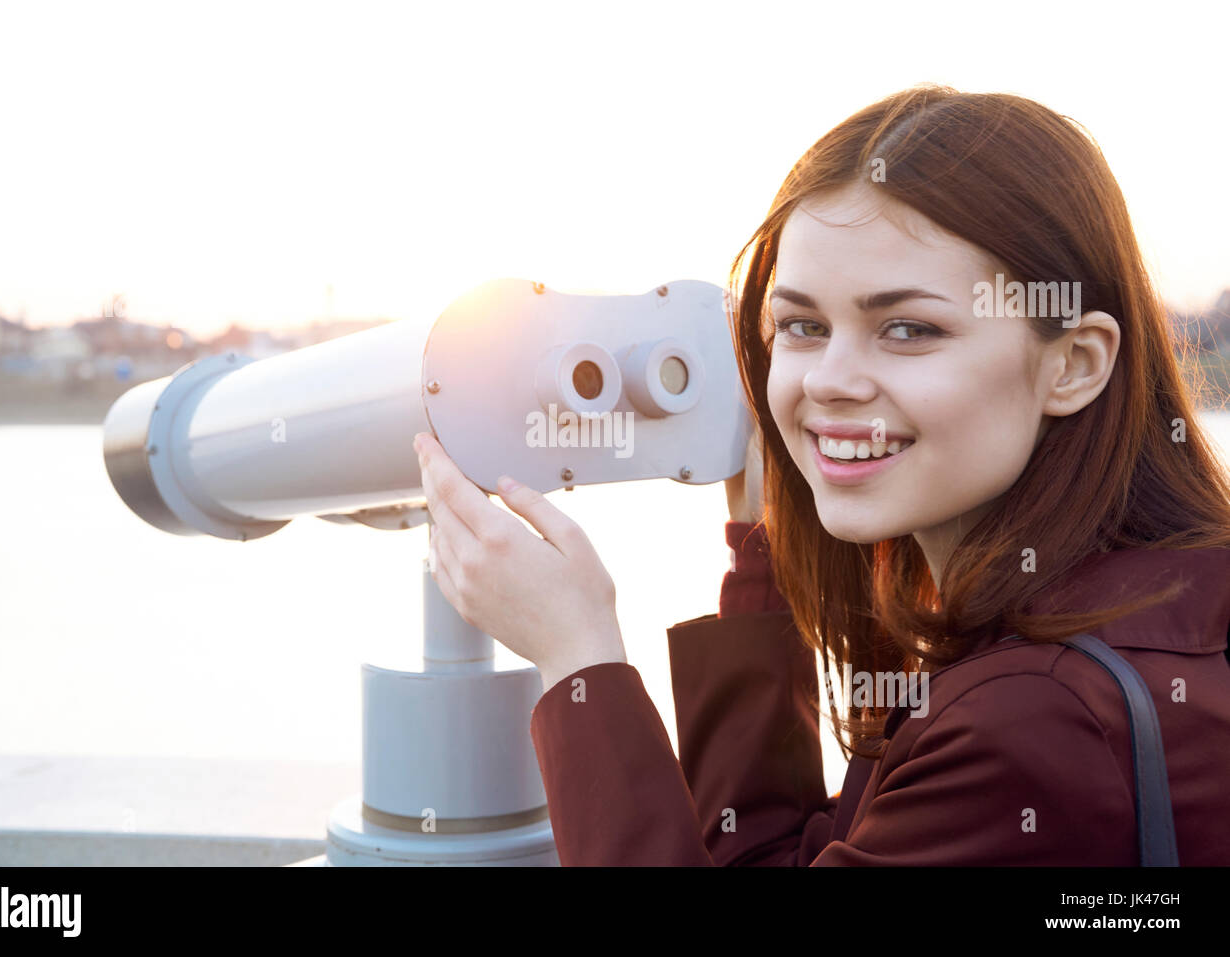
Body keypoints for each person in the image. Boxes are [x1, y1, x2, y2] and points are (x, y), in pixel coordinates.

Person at [411, 84, 1230, 865]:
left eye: (908, 328)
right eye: (801, 324)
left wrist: (578, 655)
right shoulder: (1135, 611)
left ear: (1074, 365)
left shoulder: (1036, 719)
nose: (827, 379)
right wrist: (760, 551)